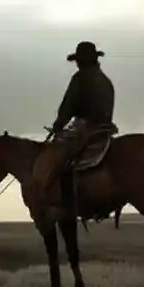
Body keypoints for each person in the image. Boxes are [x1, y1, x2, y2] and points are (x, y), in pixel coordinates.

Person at [41, 41, 117, 194]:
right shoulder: (105, 80)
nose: (77, 64)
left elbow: (69, 105)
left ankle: (67, 200)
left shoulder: (80, 78)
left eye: (78, 61)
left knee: (57, 160)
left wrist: (58, 125)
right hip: (105, 128)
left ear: (82, 61)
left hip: (86, 127)